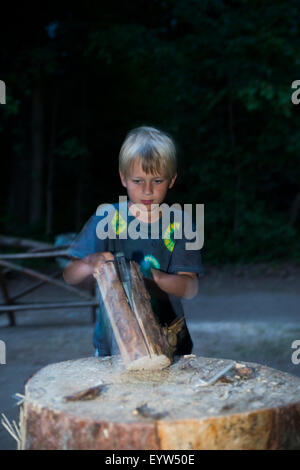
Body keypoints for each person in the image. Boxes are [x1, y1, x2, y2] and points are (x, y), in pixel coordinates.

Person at [63, 126, 203, 357]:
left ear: (172, 180)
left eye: (157, 180)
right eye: (138, 180)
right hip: (113, 346)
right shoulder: (105, 219)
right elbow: (70, 274)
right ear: (123, 178)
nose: (147, 191)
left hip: (170, 346)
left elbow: (189, 288)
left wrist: (149, 275)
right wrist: (90, 262)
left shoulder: (180, 224)